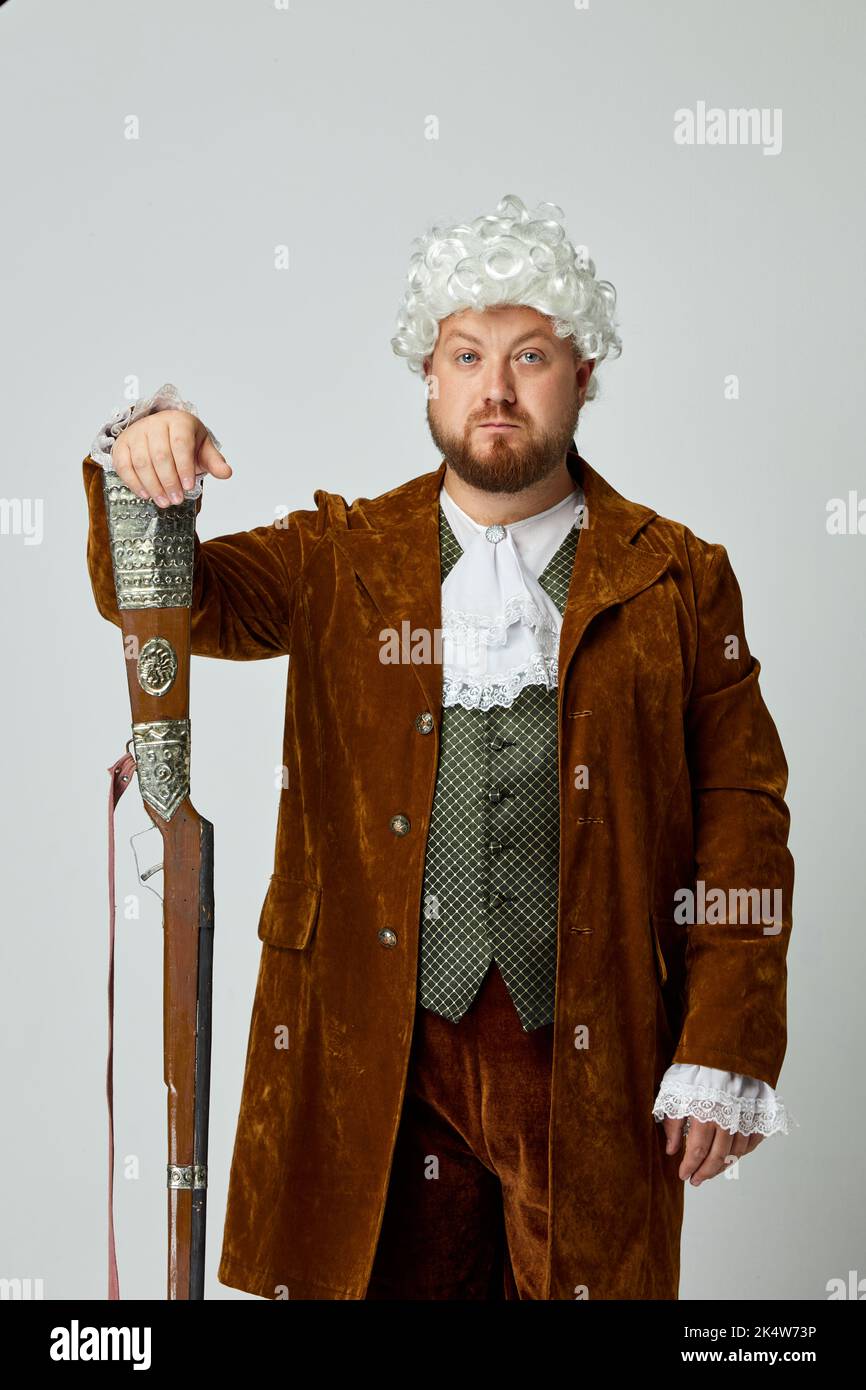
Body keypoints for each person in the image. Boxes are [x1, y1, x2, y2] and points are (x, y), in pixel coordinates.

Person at [82, 193, 794, 1299]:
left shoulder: (677, 578)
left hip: (590, 1058)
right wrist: (143, 453)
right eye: (466, 355)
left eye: (530, 357)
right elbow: (169, 607)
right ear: (428, 375)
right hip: (368, 1057)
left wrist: (727, 1038)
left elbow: (744, 812)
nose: (495, 388)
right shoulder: (337, 556)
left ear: (583, 375)